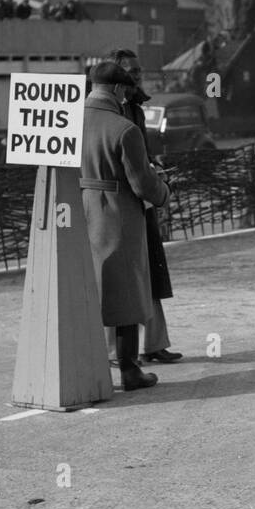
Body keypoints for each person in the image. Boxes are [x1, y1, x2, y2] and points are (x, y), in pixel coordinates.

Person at [81, 62, 171, 392]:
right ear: (119, 90)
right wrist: (164, 192)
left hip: (80, 211)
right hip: (117, 215)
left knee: (90, 290)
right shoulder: (124, 129)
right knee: (127, 292)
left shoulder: (70, 122)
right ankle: (130, 370)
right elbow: (142, 184)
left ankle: (90, 365)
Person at [104, 48, 182, 366]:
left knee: (151, 270)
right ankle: (114, 351)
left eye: (139, 70)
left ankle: (154, 343)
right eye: (130, 71)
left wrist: (153, 168)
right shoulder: (112, 111)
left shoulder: (134, 106)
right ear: (117, 75)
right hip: (119, 203)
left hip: (141, 198)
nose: (137, 75)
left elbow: (140, 153)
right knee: (118, 277)